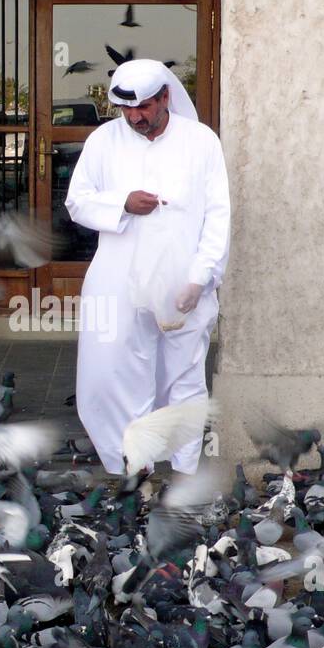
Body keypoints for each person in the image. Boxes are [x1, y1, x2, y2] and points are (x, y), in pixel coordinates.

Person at [64, 58, 230, 476]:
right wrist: (121, 203)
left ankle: (184, 473)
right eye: (126, 110)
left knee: (184, 379)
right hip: (118, 278)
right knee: (112, 376)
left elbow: (218, 215)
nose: (135, 117)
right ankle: (134, 467)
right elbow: (77, 201)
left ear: (165, 98)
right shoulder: (104, 140)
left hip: (183, 280)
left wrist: (200, 277)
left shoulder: (201, 141)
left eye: (144, 108)